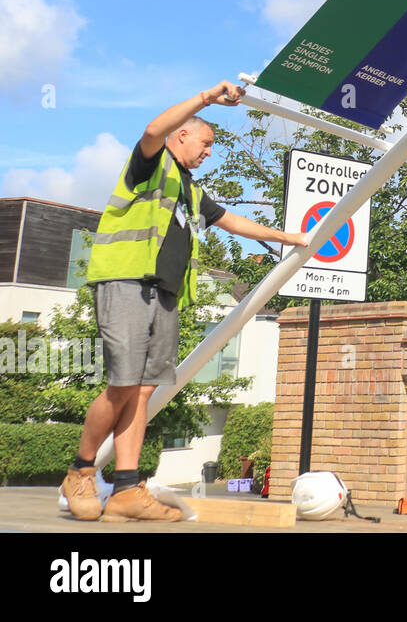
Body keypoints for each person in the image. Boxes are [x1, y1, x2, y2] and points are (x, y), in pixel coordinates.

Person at [61, 81, 309, 522]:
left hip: (165, 294)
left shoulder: (189, 189)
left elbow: (231, 220)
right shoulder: (150, 164)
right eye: (206, 143)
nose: (208, 152)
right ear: (183, 135)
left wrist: (288, 237)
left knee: (142, 390)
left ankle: (125, 489)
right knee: (122, 383)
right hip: (126, 282)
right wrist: (207, 98)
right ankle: (80, 471)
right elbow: (153, 128)